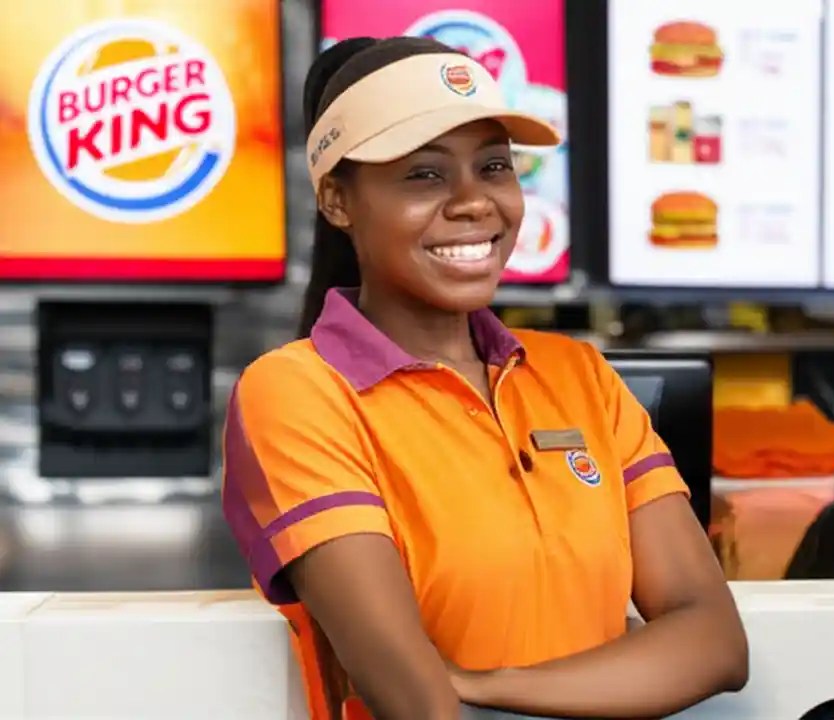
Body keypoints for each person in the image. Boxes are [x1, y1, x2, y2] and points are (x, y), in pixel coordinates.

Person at [221, 36, 748, 720]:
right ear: (337, 201)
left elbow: (714, 641)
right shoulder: (296, 393)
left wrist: (483, 683)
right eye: (424, 174)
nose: (475, 202)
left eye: (494, 166)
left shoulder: (579, 375)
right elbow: (414, 698)